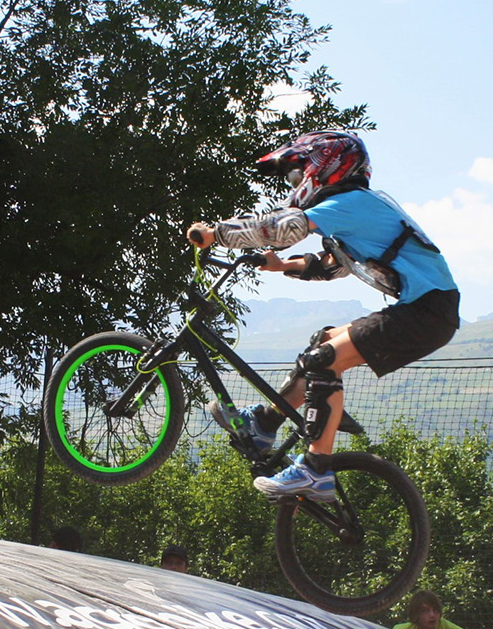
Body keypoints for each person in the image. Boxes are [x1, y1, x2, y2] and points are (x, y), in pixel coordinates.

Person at [185, 130, 460, 502]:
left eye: (297, 175)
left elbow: (283, 228)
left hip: (427, 311)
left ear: (326, 167)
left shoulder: (351, 203)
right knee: (323, 343)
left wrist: (216, 233)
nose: (295, 183)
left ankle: (316, 470)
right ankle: (265, 423)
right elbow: (332, 266)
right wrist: (281, 266)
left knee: (324, 361)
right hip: (425, 309)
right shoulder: (356, 209)